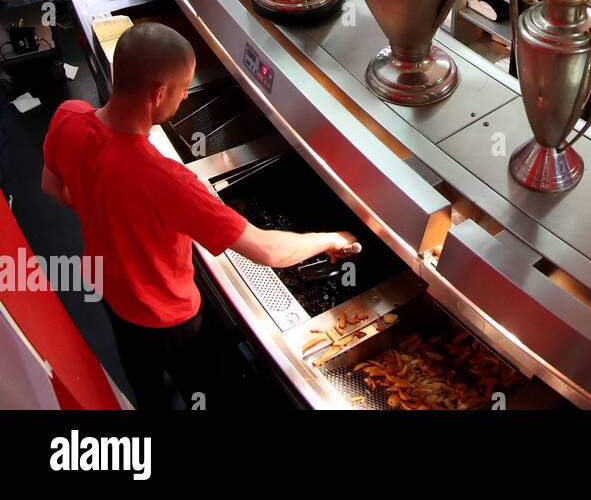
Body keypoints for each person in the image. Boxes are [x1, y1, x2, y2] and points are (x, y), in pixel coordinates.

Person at [41, 23, 359, 409]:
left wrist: (108, 210)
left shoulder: (68, 115)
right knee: (204, 387)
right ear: (159, 94)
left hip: (110, 292)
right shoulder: (167, 181)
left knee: (144, 382)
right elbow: (266, 250)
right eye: (183, 86)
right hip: (170, 318)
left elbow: (53, 189)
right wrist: (330, 239)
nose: (186, 94)